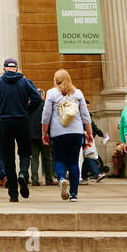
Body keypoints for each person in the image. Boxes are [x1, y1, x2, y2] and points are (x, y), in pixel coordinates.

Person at [0, 57, 38, 202]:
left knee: (8, 158)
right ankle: (23, 174)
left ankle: (13, 194)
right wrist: (27, 111)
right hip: (22, 121)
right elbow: (37, 99)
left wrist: (1, 111)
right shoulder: (25, 82)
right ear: (16, 68)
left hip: (5, 122)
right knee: (25, 152)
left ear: (4, 68)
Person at [41, 70, 94, 201]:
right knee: (74, 162)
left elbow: (46, 115)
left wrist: (44, 132)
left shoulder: (52, 94)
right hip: (76, 132)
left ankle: (61, 179)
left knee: (59, 160)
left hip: (58, 132)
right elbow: (85, 115)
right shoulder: (78, 93)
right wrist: (90, 132)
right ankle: (73, 194)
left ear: (56, 81)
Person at [28, 87, 53, 185]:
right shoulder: (45, 105)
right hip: (44, 134)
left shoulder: (30, 106)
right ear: (43, 95)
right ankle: (49, 179)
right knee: (47, 157)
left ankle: (34, 180)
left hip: (32, 135)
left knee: (34, 158)